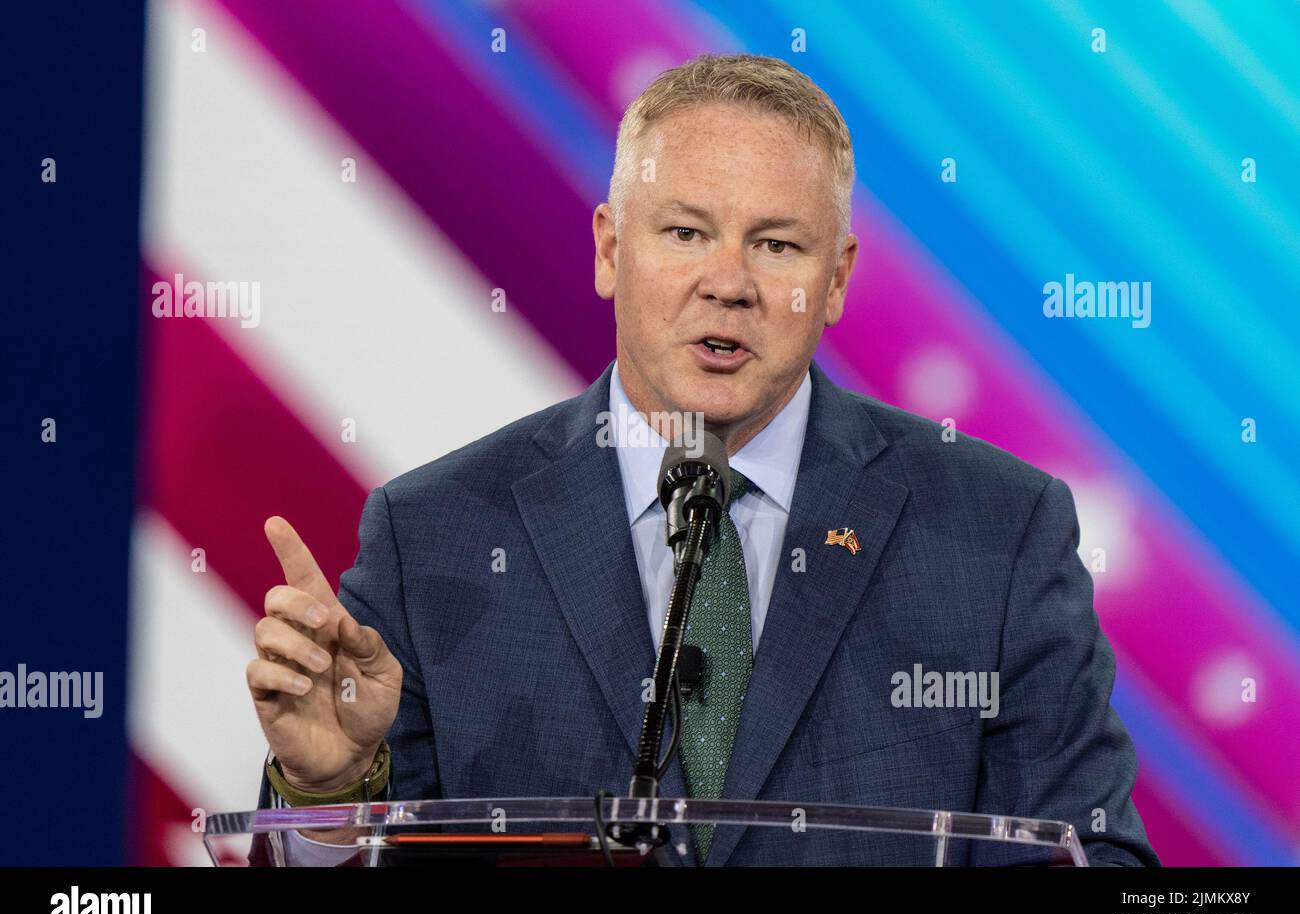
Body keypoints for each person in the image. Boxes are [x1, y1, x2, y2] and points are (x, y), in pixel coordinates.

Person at [245, 53, 1157, 867]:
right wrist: (328, 795)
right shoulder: (434, 534)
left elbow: (1100, 859)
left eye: (777, 244)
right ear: (609, 249)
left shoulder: (996, 531)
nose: (728, 282)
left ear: (836, 279)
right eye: (684, 232)